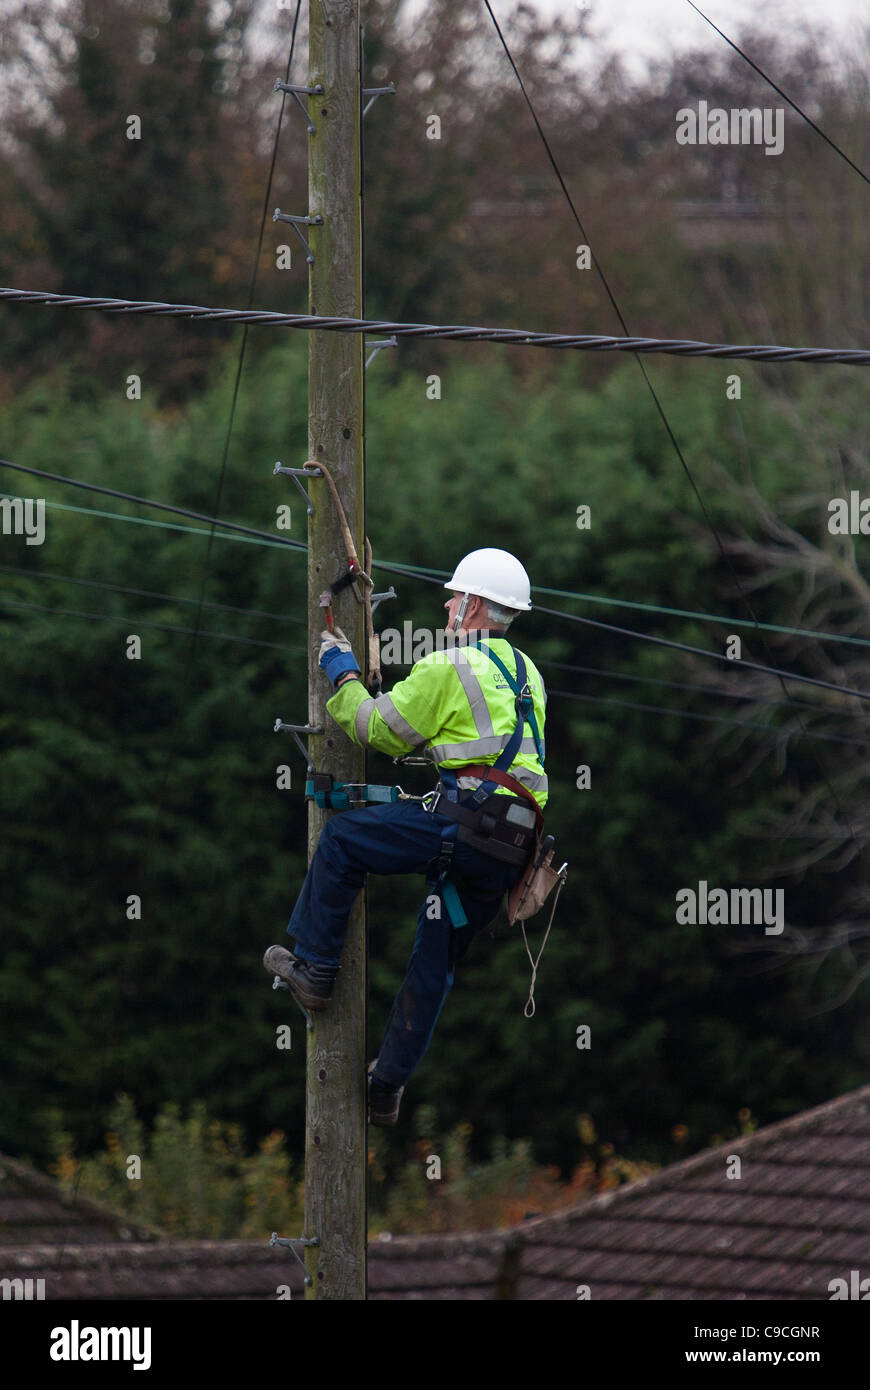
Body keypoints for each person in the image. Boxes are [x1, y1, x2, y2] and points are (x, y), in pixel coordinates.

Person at [263, 548, 548, 1125]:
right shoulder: (527, 674)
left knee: (343, 841)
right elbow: (484, 747)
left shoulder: (451, 666)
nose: (446, 603)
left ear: (472, 606)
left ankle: (315, 970)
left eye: (455, 595)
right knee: (434, 956)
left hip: (464, 827)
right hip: (510, 852)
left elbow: (377, 730)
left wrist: (342, 671)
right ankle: (387, 1085)